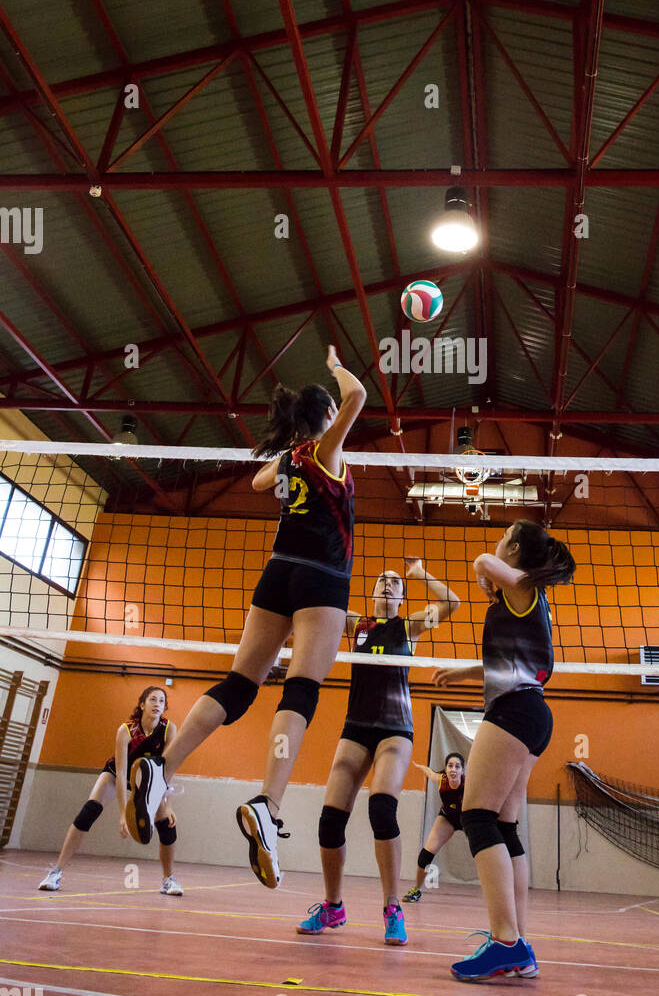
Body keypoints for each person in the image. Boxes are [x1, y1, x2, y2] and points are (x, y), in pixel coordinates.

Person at [125, 347, 366, 895]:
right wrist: (333, 368)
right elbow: (360, 396)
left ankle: (162, 767)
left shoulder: (288, 461)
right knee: (302, 689)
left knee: (239, 683)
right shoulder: (329, 450)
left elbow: (260, 483)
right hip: (322, 577)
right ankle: (268, 804)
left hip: (276, 573)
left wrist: (292, 446)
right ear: (326, 416)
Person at [433, 520, 575, 981]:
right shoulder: (521, 596)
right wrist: (463, 674)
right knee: (505, 825)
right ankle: (519, 944)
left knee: (475, 816)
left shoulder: (523, 588)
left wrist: (480, 566)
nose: (494, 545)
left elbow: (485, 562)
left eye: (503, 538)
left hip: (516, 712)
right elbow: (507, 663)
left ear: (513, 549)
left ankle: (505, 942)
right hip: (530, 712)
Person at [296, 558, 459, 944]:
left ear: (402, 598)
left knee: (381, 809)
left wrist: (419, 574)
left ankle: (392, 907)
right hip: (356, 727)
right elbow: (322, 602)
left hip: (395, 727)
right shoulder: (356, 624)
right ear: (372, 594)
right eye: (382, 581)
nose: (387, 585)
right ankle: (333, 906)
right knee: (330, 819)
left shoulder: (410, 626)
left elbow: (451, 603)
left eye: (395, 583)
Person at [39, 685, 181, 895]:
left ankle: (168, 879)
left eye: (161, 701)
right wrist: (124, 814)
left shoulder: (169, 729)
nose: (157, 704)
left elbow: (167, 771)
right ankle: (55, 872)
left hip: (149, 780)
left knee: (168, 825)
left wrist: (168, 805)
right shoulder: (127, 730)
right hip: (117, 775)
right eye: (152, 699)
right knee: (88, 812)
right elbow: (122, 774)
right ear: (142, 704)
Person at [403, 751, 466, 903]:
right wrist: (419, 767)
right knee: (425, 855)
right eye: (450, 766)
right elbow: (430, 772)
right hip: (447, 818)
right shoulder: (441, 779)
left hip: (467, 819)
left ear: (462, 771)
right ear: (446, 769)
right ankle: (416, 890)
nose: (453, 769)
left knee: (485, 854)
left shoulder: (469, 784)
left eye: (457, 766)